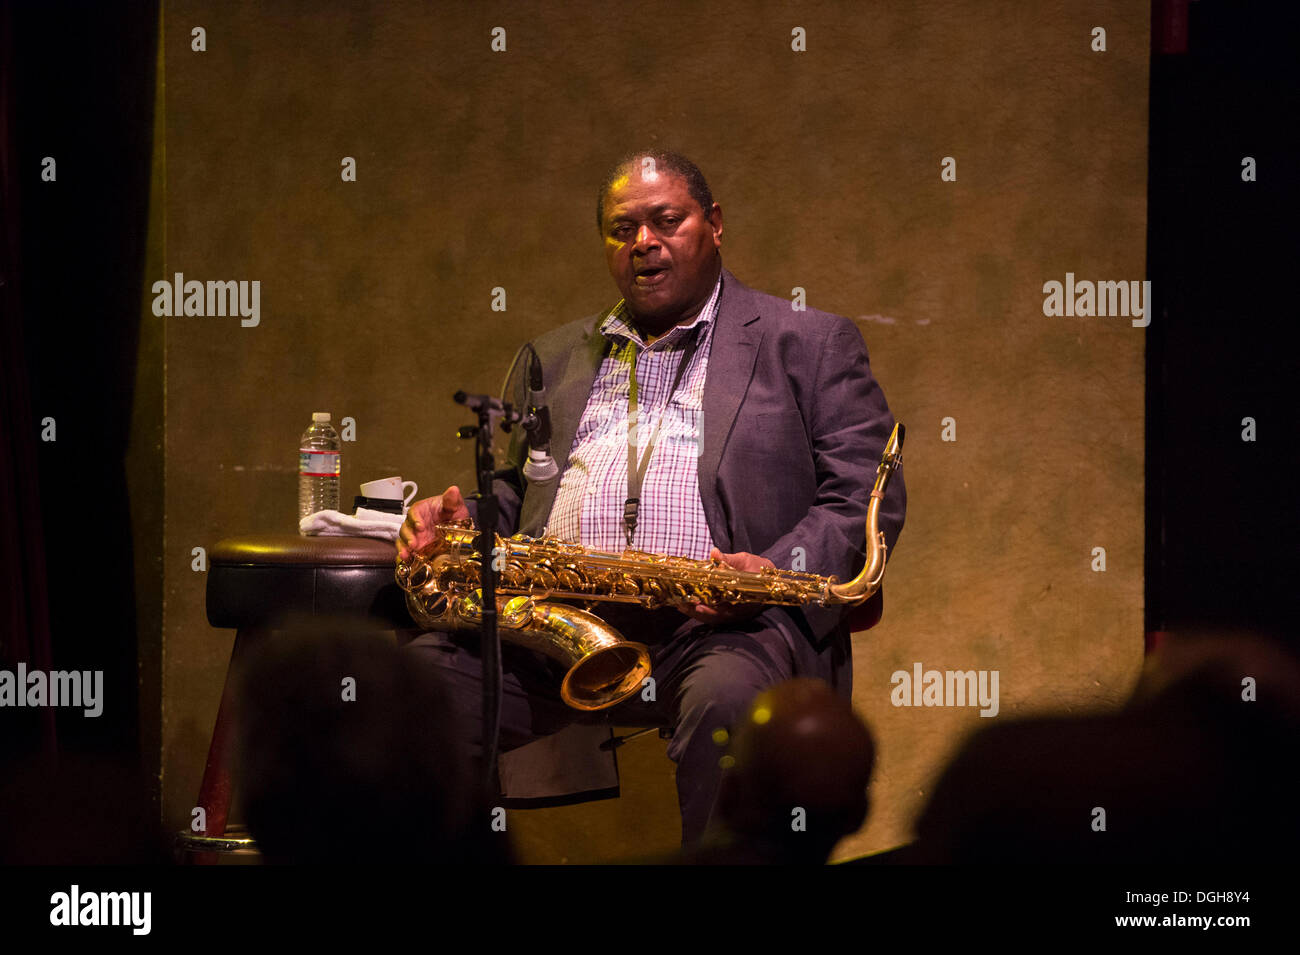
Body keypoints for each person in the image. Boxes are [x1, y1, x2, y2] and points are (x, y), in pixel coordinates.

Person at [398, 150, 905, 845]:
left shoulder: (809, 343)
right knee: (411, 690)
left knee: (729, 704)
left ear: (715, 223)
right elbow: (518, 499)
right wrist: (468, 522)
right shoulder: (550, 356)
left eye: (666, 220)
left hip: (724, 629)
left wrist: (774, 568)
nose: (644, 242)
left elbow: (862, 495)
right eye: (621, 228)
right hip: (557, 626)